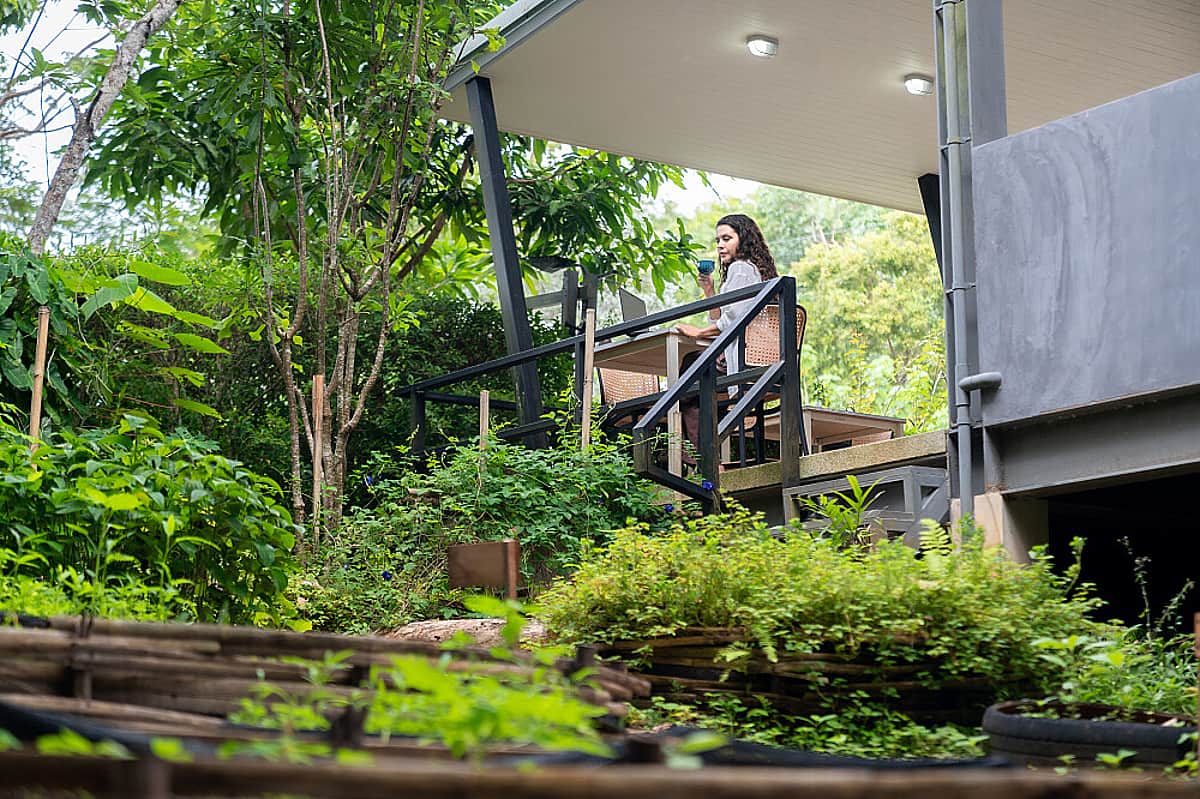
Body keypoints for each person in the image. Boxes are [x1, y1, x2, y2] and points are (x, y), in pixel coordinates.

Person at [673, 213, 779, 467]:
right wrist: (709, 291)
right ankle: (704, 456)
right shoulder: (751, 270)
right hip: (755, 358)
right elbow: (723, 318)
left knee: (690, 378)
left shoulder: (741, 268)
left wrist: (698, 333)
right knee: (697, 390)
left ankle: (699, 456)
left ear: (743, 240)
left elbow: (732, 321)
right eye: (718, 240)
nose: (720, 245)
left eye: (727, 238)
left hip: (743, 358)